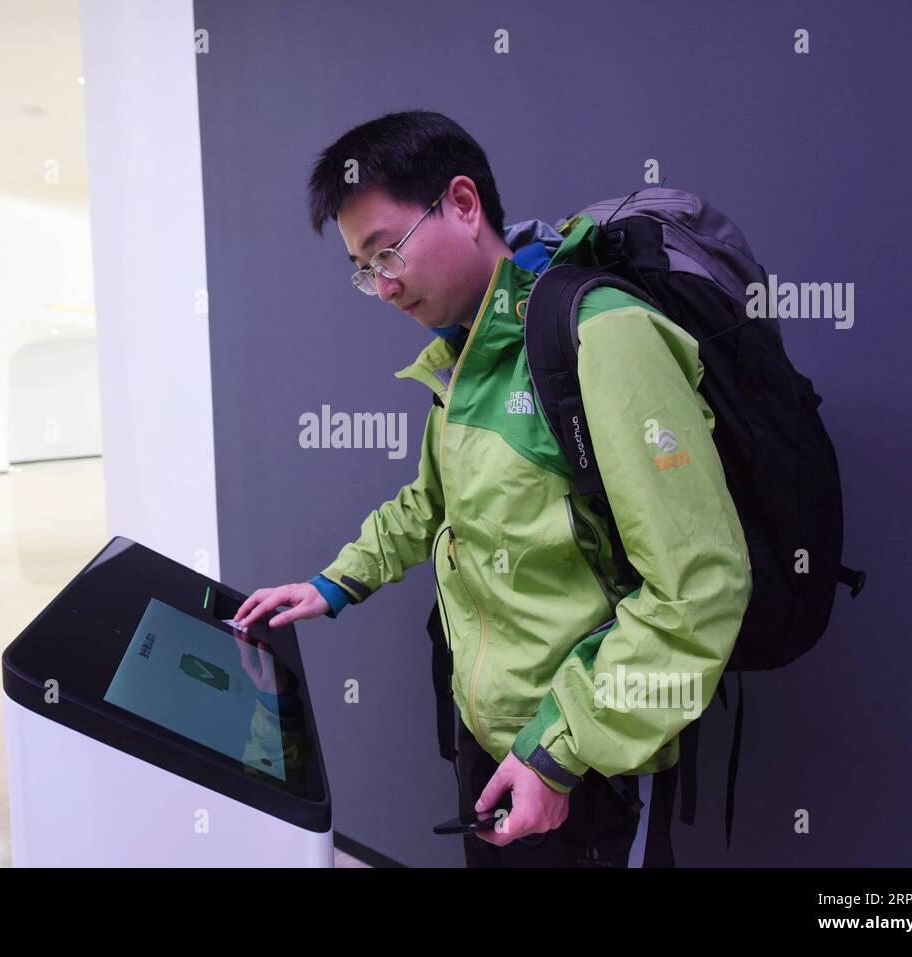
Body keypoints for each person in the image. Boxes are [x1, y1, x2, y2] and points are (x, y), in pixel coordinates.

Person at [233, 110, 752, 867]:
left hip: (590, 767)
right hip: (494, 748)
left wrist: (558, 753)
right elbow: (433, 505)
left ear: (464, 205)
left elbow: (701, 584)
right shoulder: (464, 353)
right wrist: (332, 583)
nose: (381, 287)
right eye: (362, 269)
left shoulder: (603, 335)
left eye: (387, 253)